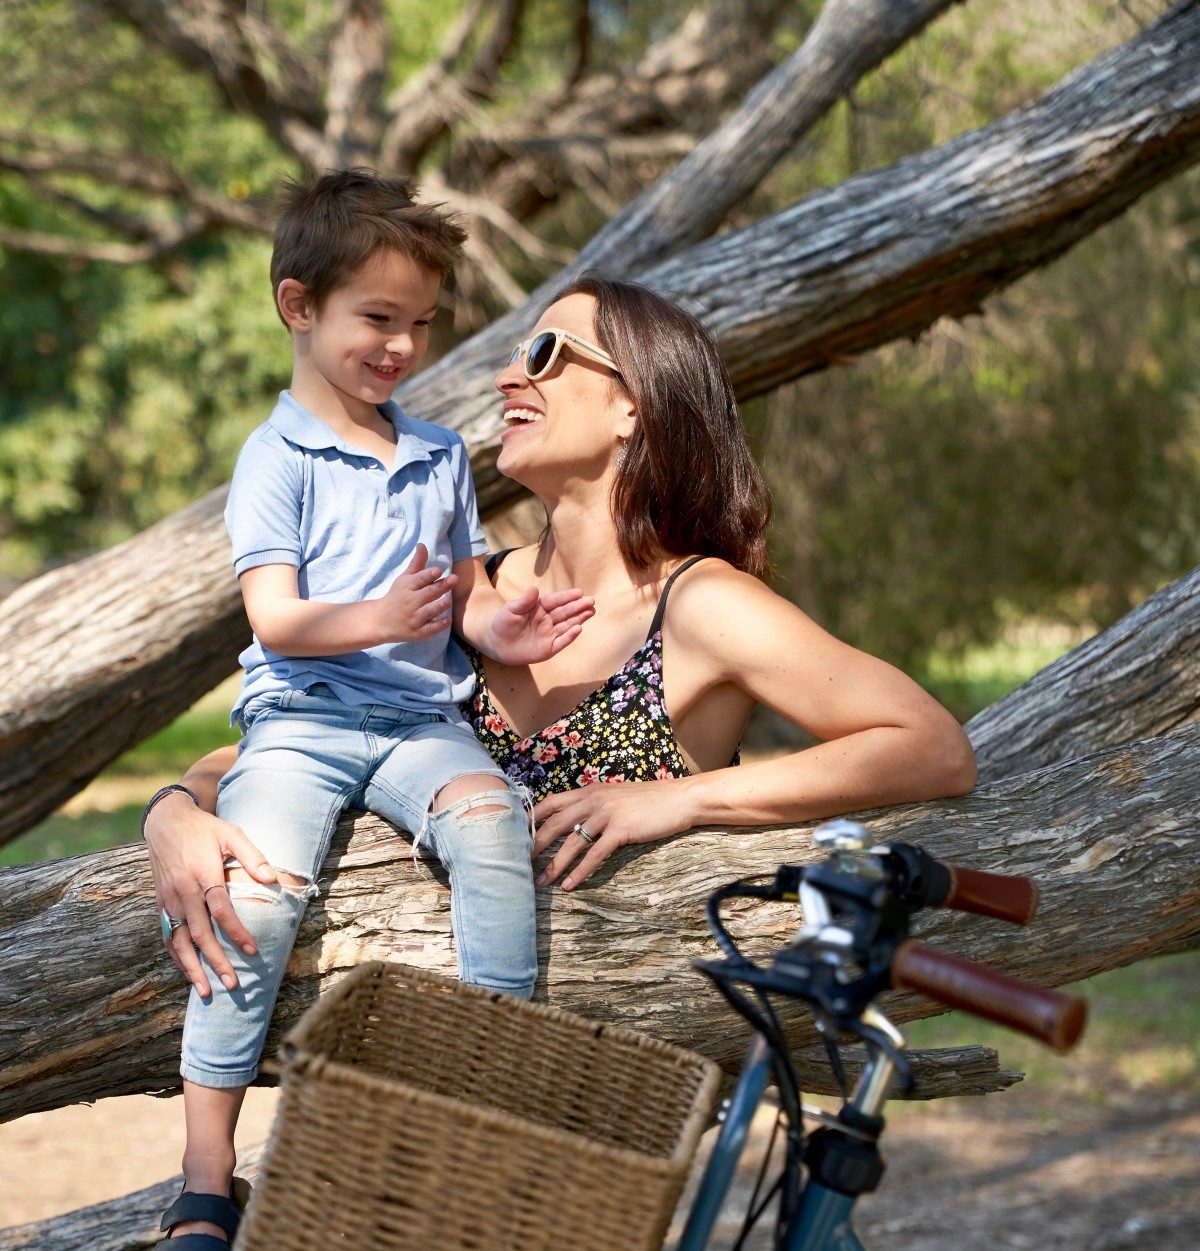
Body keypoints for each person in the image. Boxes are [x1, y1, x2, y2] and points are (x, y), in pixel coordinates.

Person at [145, 273, 976, 1241]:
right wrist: (175, 811)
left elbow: (930, 746)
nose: (506, 377)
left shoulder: (697, 607)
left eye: (542, 354)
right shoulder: (474, 601)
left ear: (633, 404)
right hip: (396, 1114)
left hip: (568, 1145)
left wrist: (679, 802)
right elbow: (301, 732)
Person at [148, 170, 595, 1248]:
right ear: (299, 308)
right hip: (301, 717)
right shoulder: (275, 459)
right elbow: (279, 622)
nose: (399, 346)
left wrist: (495, 631)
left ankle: (493, 1098)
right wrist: (380, 614)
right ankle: (205, 1178)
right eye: (376, 319)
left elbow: (451, 601)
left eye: (420, 324)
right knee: (254, 902)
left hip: (421, 724)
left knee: (493, 830)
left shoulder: (441, 456)